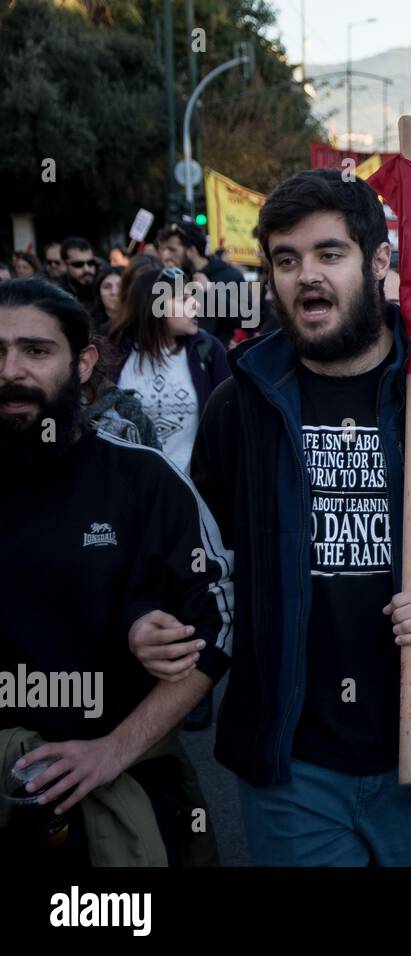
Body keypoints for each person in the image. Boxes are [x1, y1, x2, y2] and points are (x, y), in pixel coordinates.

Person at [169, 168, 411, 866]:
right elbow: (211, 553)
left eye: (328, 254)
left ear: (380, 263)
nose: (305, 277)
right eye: (285, 260)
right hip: (293, 764)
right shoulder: (241, 404)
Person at [0, 278, 232, 866]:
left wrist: (112, 751)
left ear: (82, 364)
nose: (11, 371)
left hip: (123, 794)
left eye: (36, 351)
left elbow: (219, 624)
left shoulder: (143, 479)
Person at [106, 266, 230, 474]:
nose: (195, 305)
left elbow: (229, 423)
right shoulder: (114, 353)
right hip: (132, 491)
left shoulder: (208, 350)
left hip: (194, 492)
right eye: (183, 299)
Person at [157, 221, 249, 344]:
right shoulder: (172, 279)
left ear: (192, 250)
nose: (165, 256)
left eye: (172, 250)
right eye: (163, 250)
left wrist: (210, 290)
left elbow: (248, 318)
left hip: (218, 358)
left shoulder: (231, 276)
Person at [59, 237, 99, 310]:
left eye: (90, 263)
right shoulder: (58, 295)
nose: (87, 269)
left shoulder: (106, 285)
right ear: (64, 265)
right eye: (78, 264)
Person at [90, 266, 124, 336]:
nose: (114, 292)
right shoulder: (89, 328)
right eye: (107, 287)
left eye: (120, 286)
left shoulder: (141, 324)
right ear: (98, 293)